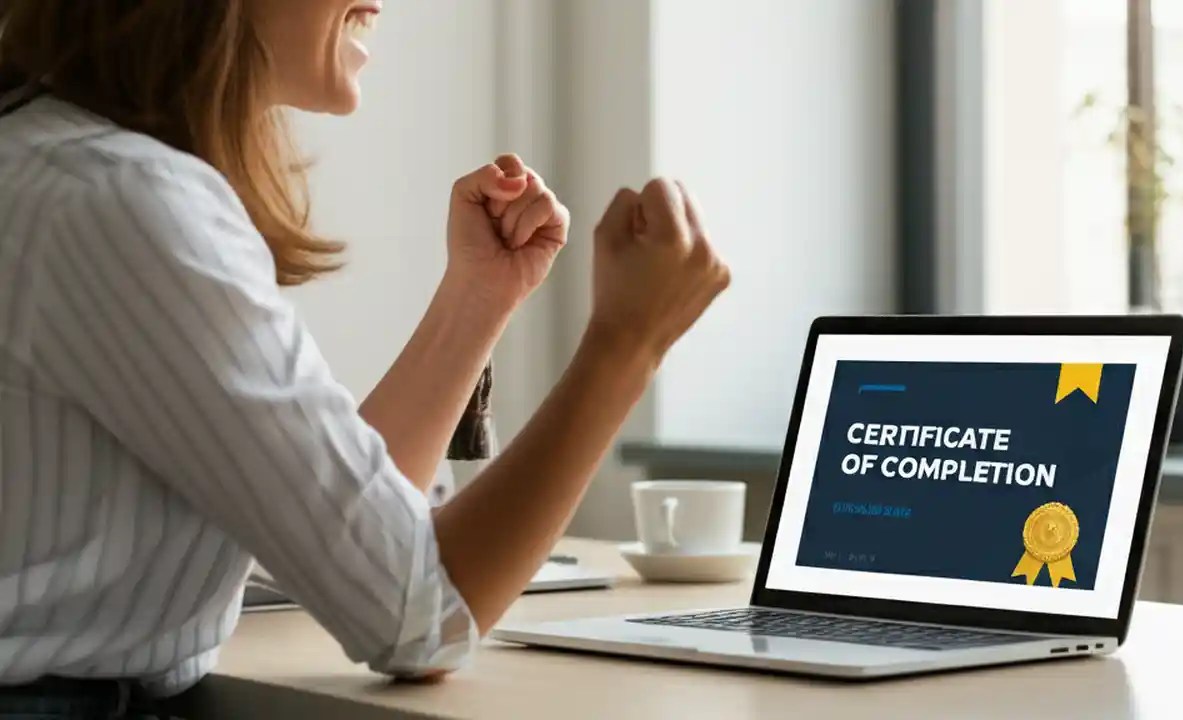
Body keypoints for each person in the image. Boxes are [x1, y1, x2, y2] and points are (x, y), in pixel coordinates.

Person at [0, 0, 730, 716]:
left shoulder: (56, 166)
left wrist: (478, 298)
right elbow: (419, 621)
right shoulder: (123, 200)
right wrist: (628, 344)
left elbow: (359, 539)